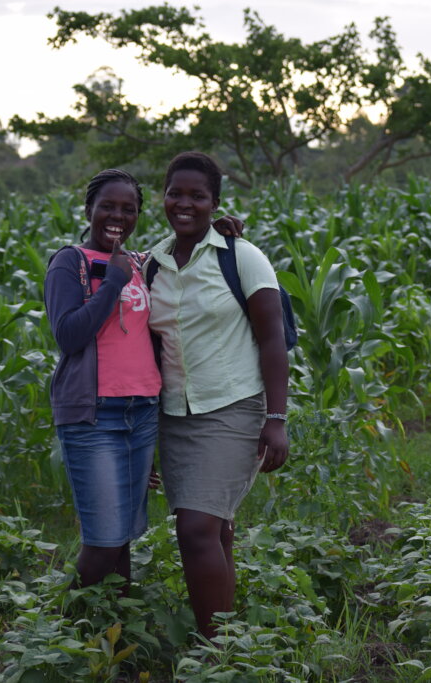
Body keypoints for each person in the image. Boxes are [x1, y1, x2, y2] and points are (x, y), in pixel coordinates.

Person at [43, 168, 242, 593]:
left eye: (128, 209)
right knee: (103, 542)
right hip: (95, 415)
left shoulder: (141, 263)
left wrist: (218, 231)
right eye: (108, 207)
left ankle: (110, 641)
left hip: (142, 413)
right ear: (89, 210)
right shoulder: (71, 262)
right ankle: (53, 627)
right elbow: (69, 335)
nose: (118, 216)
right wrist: (111, 282)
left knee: (124, 542)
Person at [147, 151, 289, 640]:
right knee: (216, 528)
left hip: (234, 408)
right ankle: (229, 646)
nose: (184, 204)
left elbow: (271, 338)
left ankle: (213, 651)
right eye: (175, 193)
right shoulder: (153, 264)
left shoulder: (241, 257)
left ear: (215, 203)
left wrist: (277, 417)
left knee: (195, 531)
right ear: (163, 198)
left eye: (197, 196)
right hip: (175, 414)